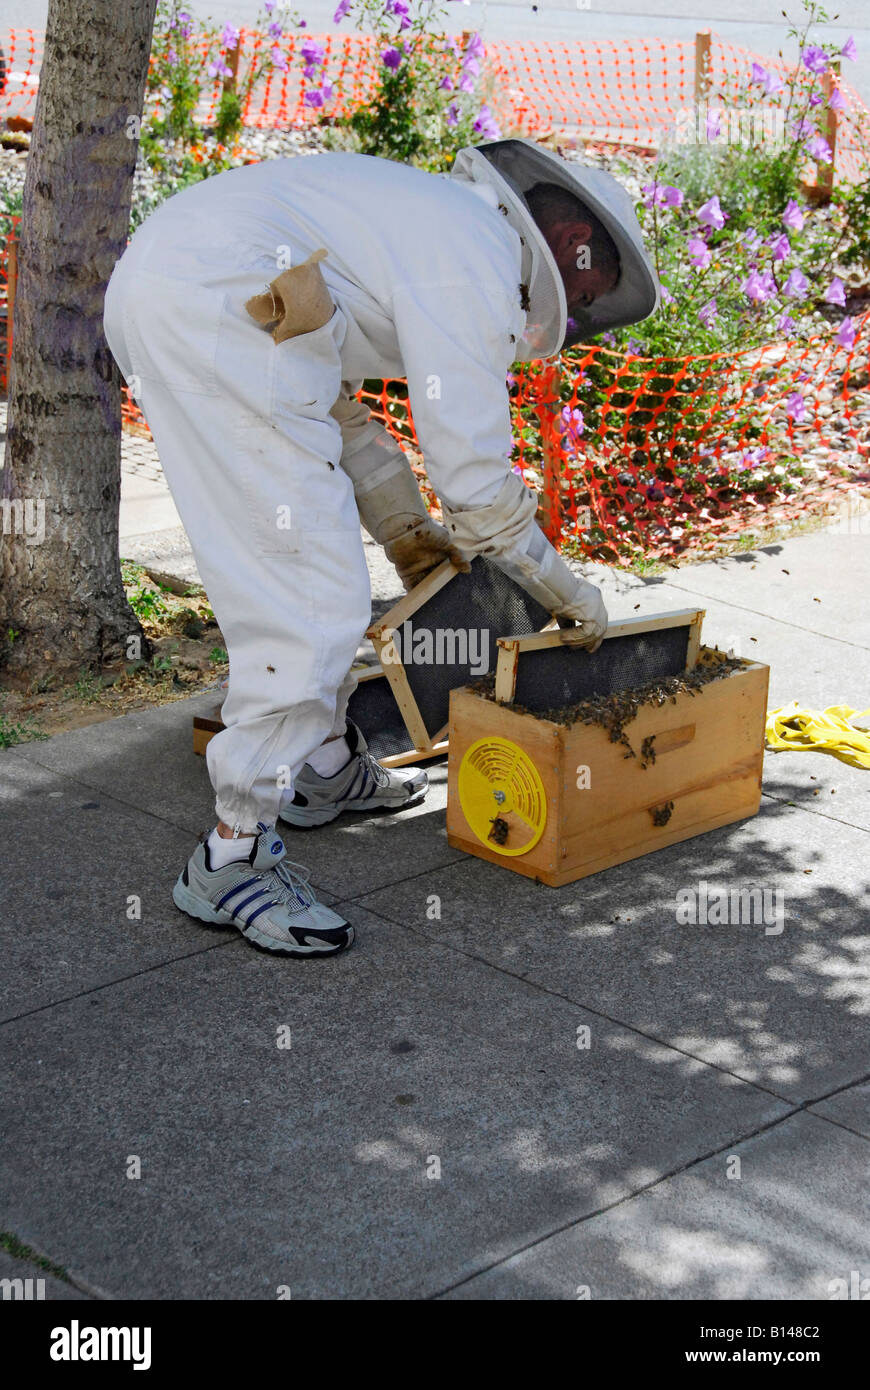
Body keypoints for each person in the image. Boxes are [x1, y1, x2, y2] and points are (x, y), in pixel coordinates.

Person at [103, 137, 658, 959]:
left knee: (306, 566)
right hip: (209, 314)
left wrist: (407, 535)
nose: (577, 309)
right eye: (589, 283)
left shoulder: (430, 226)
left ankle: (322, 768)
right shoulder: (469, 255)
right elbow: (476, 482)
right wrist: (566, 592)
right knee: (311, 606)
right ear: (569, 231)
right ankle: (231, 855)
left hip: (190, 297)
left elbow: (335, 410)